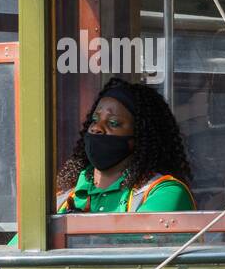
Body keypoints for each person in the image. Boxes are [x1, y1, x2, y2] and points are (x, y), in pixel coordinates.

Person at [54, 78, 196, 213]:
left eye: (113, 123)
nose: (96, 128)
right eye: (94, 120)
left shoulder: (164, 192)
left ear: (140, 135)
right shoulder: (61, 198)